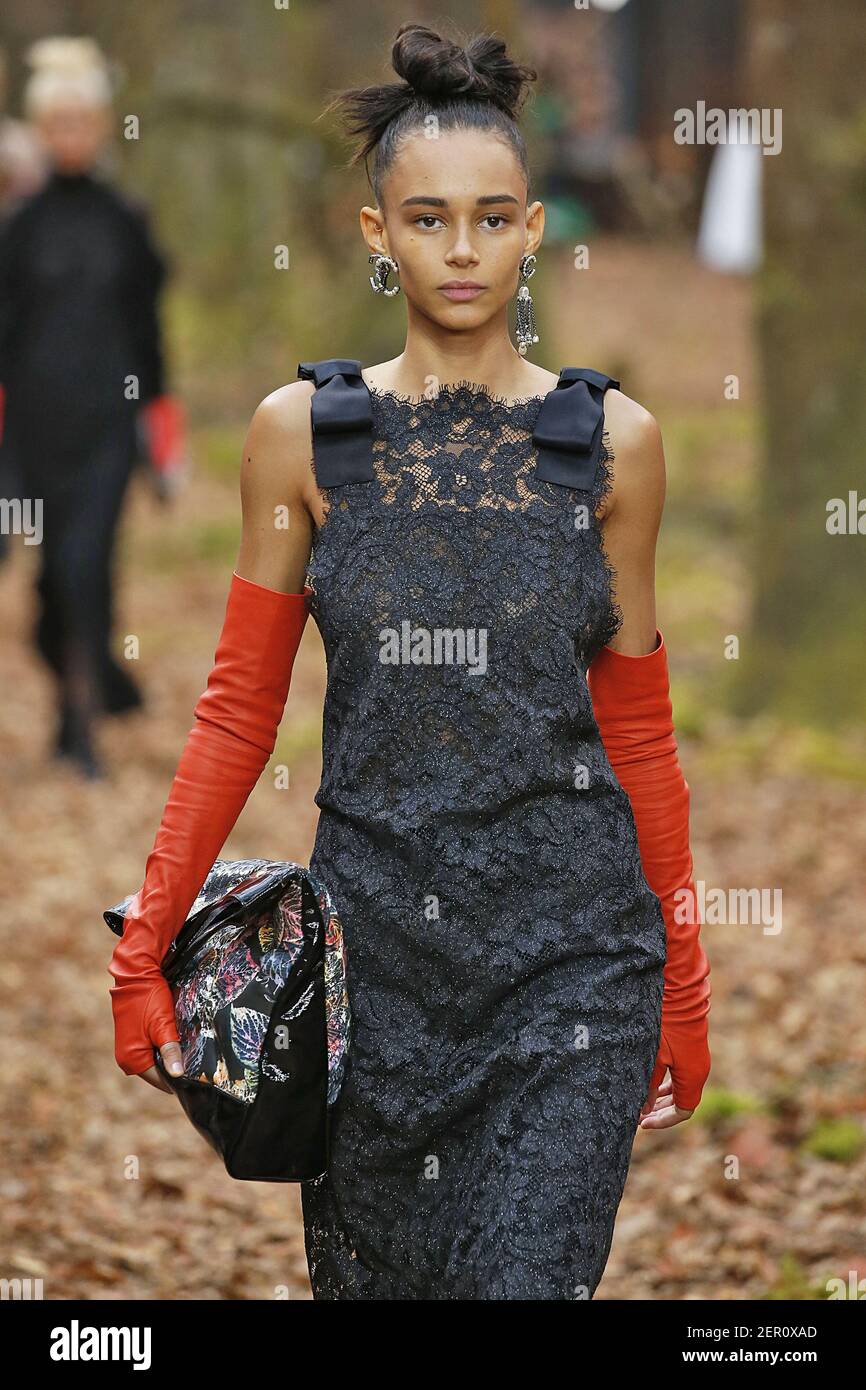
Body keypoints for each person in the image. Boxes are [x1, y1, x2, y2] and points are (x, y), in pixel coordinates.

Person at [108, 22, 711, 1299]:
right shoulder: (301, 437)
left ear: (533, 229)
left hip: (575, 969)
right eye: (429, 219)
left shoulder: (615, 444)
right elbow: (237, 713)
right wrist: (143, 946)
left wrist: (686, 982)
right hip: (371, 979)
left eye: (492, 219)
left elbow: (640, 733)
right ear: (377, 232)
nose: (462, 249)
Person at [0, 37, 184, 779]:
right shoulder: (16, 228)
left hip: (110, 428)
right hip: (34, 434)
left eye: (82, 121)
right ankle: (91, 679)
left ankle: (81, 724)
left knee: (87, 566)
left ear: (103, 126)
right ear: (40, 129)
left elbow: (150, 339)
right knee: (50, 585)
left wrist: (164, 440)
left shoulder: (126, 222)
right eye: (58, 122)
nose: (71, 135)